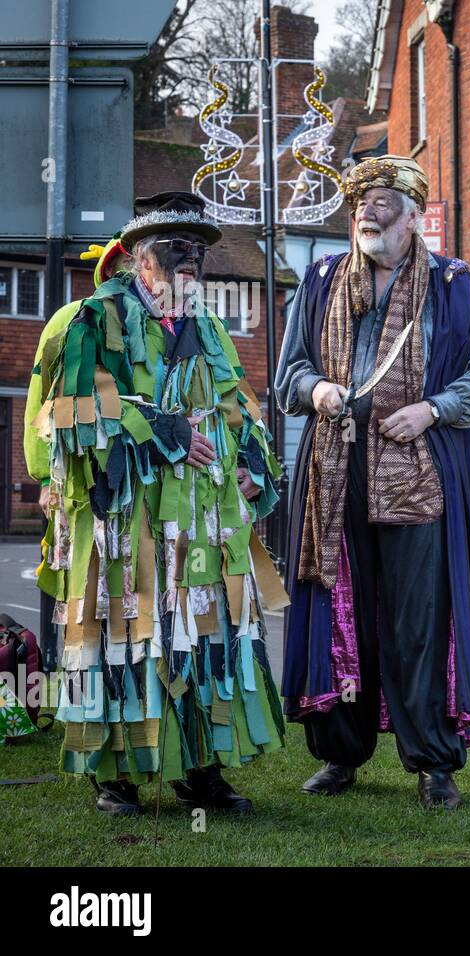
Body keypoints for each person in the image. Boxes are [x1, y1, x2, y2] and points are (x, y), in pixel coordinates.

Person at [29, 192, 285, 815]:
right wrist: (162, 431)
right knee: (124, 632)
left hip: (200, 526)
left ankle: (199, 767)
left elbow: (239, 407)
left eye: (199, 251)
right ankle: (112, 775)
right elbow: (60, 418)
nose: (191, 263)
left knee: (200, 635)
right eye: (176, 249)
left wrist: (254, 465)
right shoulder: (91, 319)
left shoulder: (210, 328)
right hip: (124, 521)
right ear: (138, 258)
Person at [275, 156, 470, 811]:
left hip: (417, 473)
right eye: (360, 206)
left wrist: (429, 410)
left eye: (381, 203)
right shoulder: (319, 282)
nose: (367, 214)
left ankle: (431, 761)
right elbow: (289, 373)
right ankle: (341, 756)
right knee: (342, 620)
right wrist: (317, 390)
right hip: (334, 472)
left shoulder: (459, 288)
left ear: (412, 216)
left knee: (418, 622)